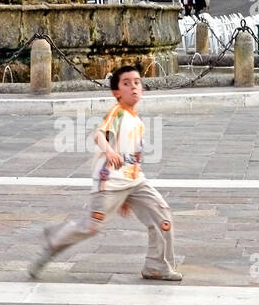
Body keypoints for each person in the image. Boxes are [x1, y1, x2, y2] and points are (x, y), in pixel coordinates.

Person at [29, 65, 180, 282]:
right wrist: (108, 151)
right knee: (92, 226)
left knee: (163, 218)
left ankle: (157, 266)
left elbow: (134, 156)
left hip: (134, 182)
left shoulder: (137, 121)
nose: (133, 87)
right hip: (109, 183)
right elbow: (99, 134)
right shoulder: (117, 113)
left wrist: (128, 197)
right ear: (116, 92)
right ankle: (54, 238)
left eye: (137, 82)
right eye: (126, 83)